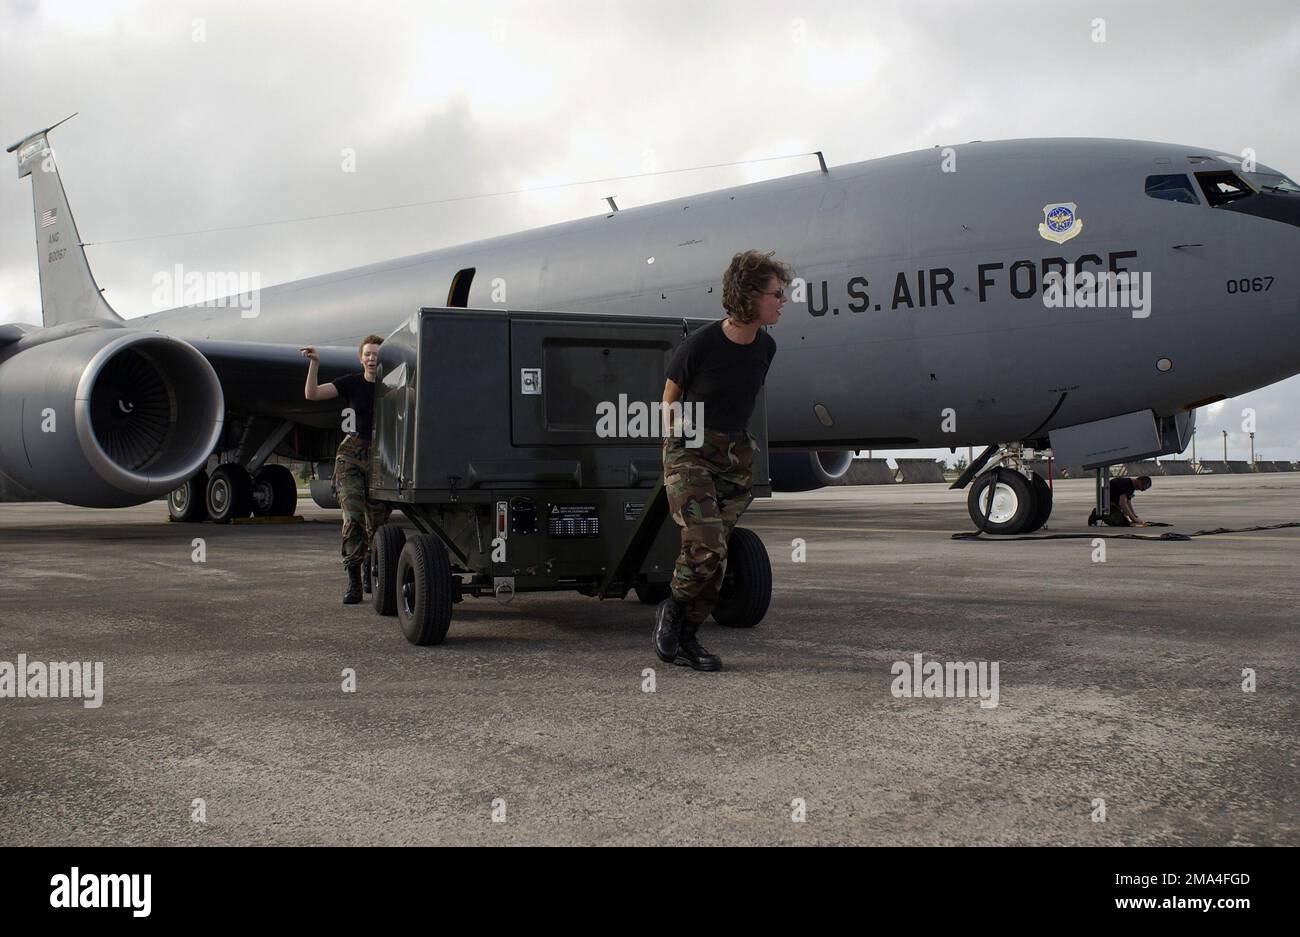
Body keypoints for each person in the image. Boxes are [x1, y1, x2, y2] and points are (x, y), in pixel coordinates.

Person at [653, 250, 791, 671]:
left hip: (735, 456)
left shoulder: (766, 347)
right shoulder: (700, 345)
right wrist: (683, 448)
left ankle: (688, 638)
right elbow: (669, 401)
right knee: (705, 543)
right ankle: (672, 612)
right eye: (776, 293)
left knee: (717, 555)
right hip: (690, 451)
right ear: (750, 296)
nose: (783, 300)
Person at [301, 335, 393, 603]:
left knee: (377, 523)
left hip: (380, 458)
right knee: (353, 518)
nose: (372, 358)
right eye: (367, 354)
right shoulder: (351, 383)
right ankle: (352, 579)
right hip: (351, 455)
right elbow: (312, 394)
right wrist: (315, 364)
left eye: (376, 354)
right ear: (360, 358)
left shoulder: (391, 386)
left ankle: (369, 572)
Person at [1088, 475, 1153, 527]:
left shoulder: (1131, 486)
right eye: (1143, 487)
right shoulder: (1126, 484)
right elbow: (1123, 503)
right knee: (1121, 523)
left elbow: (1128, 502)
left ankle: (1103, 513)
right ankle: (1097, 514)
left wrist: (1135, 516)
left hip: (1114, 504)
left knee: (1125, 521)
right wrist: (1134, 519)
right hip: (1108, 503)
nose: (1142, 490)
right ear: (1139, 480)